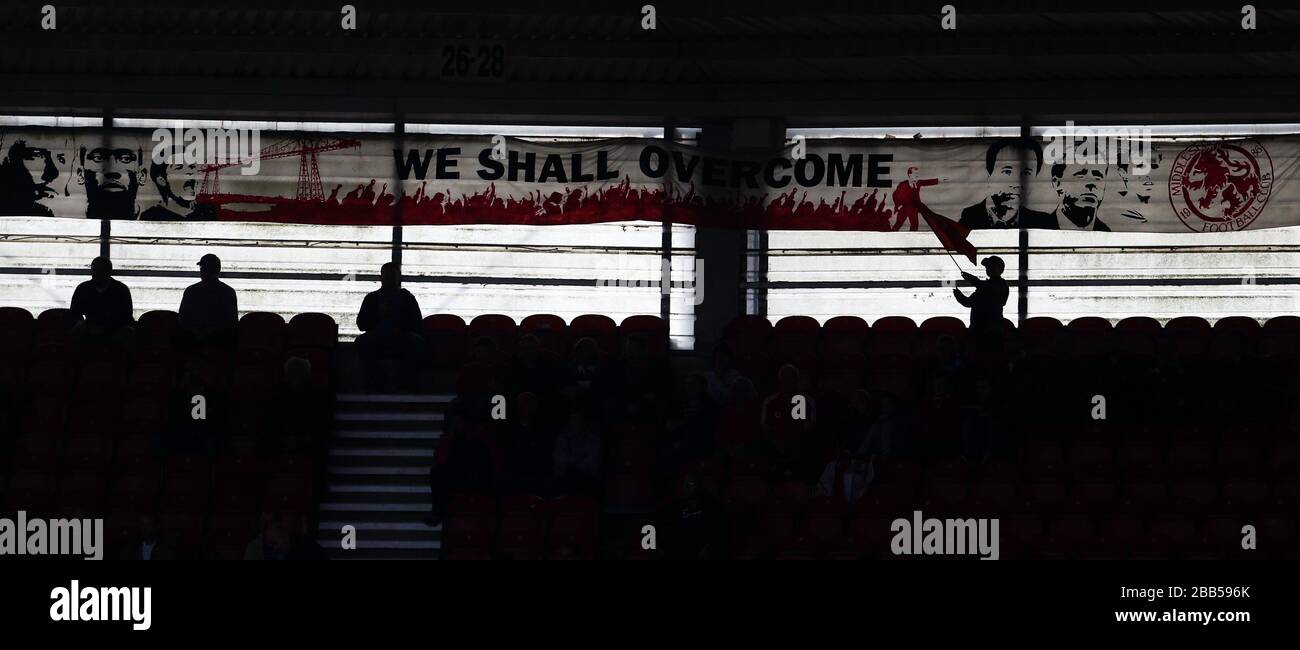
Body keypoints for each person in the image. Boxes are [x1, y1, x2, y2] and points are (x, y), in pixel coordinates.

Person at [355, 262, 426, 390]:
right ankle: (403, 383)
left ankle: (380, 381)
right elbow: (361, 323)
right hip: (393, 335)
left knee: (417, 343)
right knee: (416, 343)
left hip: (396, 335)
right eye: (388, 276)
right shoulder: (403, 298)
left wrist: (396, 329)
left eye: (392, 276)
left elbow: (417, 322)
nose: (390, 279)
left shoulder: (375, 298)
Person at [959, 138, 1055, 230]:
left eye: (1026, 173)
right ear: (989, 175)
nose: (1016, 183)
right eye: (1007, 172)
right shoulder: (968, 220)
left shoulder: (1044, 223)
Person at [70, 256, 135, 347]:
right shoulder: (83, 288)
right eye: (94, 270)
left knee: (127, 332)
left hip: (115, 329)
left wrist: (106, 328)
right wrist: (82, 324)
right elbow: (74, 313)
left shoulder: (120, 290)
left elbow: (125, 316)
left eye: (100, 271)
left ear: (108, 272)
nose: (96, 274)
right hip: (90, 327)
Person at [178, 253, 238, 349]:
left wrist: (196, 332)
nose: (203, 271)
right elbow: (231, 322)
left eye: (204, 268)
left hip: (195, 341)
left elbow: (183, 319)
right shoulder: (228, 292)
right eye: (203, 268)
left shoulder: (191, 291)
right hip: (219, 343)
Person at [953, 255, 1009, 336]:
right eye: (988, 267)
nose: (988, 269)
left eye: (991, 266)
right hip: (981, 330)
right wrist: (958, 295)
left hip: (990, 332)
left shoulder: (1000, 285)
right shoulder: (994, 286)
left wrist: (971, 279)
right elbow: (969, 302)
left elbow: (970, 301)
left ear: (1000, 269)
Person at [1049, 162, 1111, 231]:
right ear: (1057, 183)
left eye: (1098, 177)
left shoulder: (1110, 236)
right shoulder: (1042, 227)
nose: (1091, 183)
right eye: (1080, 175)